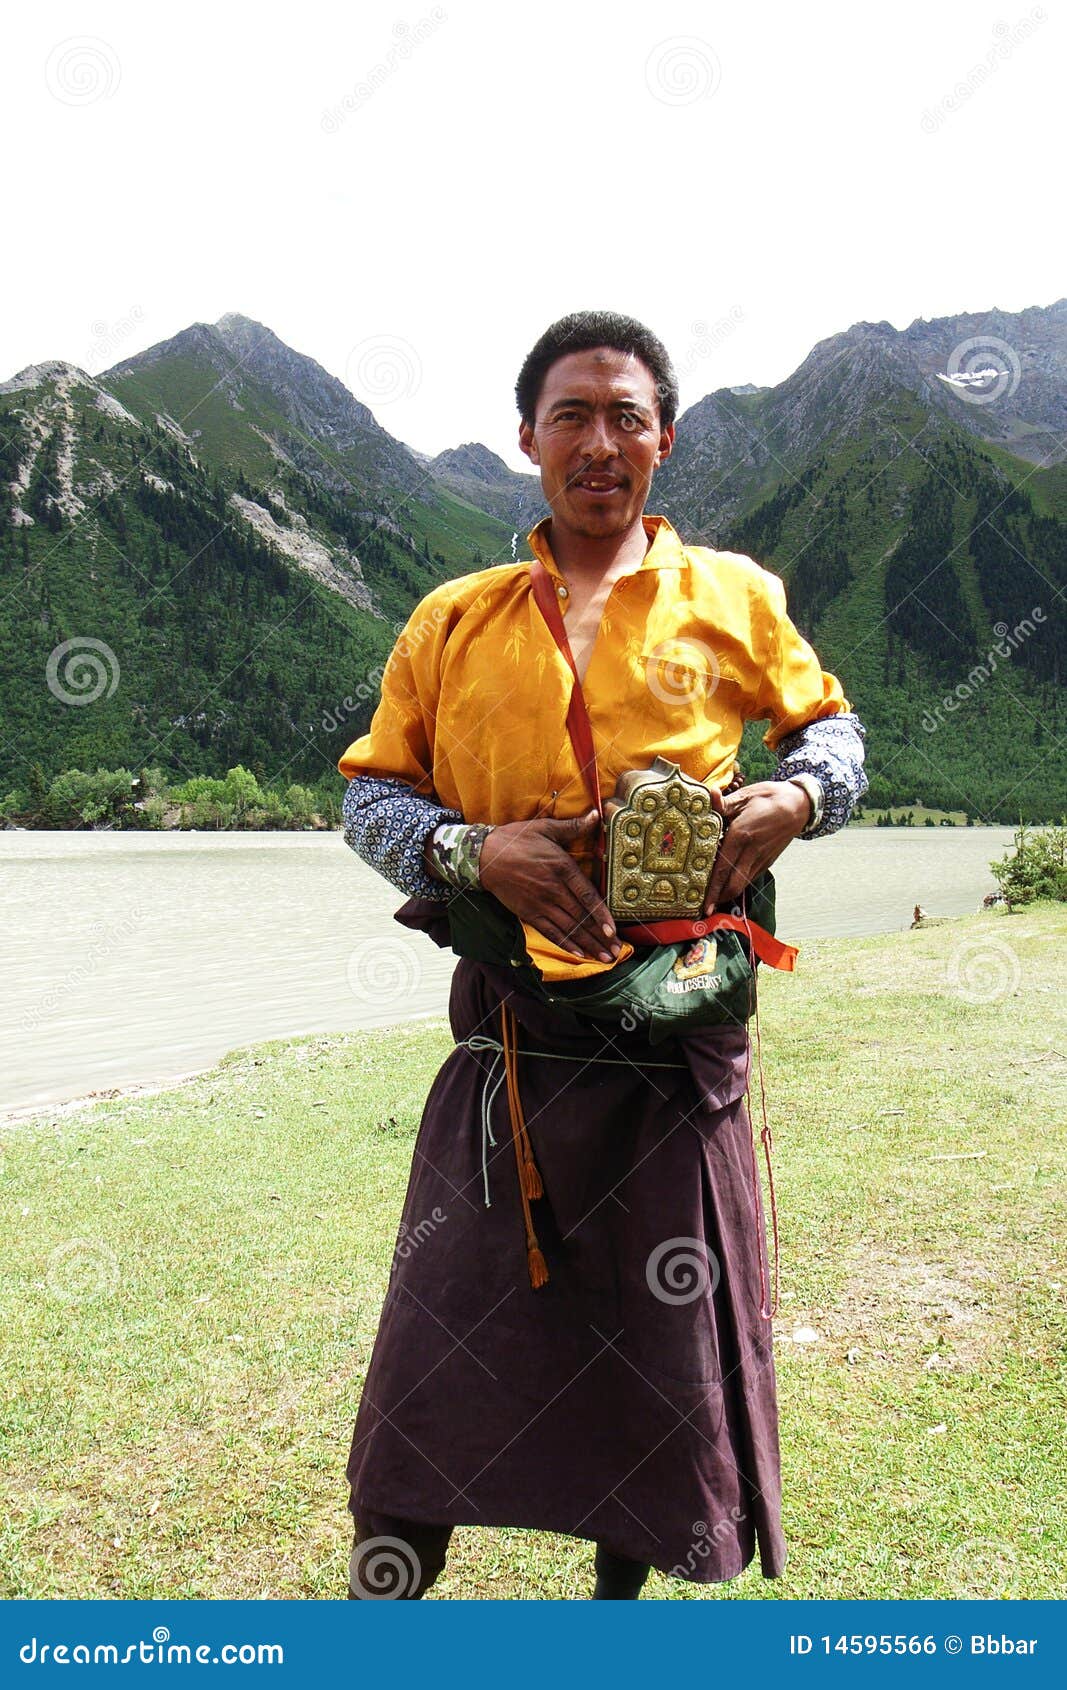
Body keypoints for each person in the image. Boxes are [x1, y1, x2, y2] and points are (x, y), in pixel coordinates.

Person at [336, 310, 868, 1600]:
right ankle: (378, 1627)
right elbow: (368, 803)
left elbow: (837, 744)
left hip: (674, 1056)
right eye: (571, 413)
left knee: (654, 1376)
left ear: (663, 442)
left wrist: (792, 803)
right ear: (527, 438)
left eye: (627, 415)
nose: (598, 440)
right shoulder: (452, 623)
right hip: (509, 1055)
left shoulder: (735, 598)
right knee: (436, 1368)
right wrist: (480, 858)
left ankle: (609, 1639)